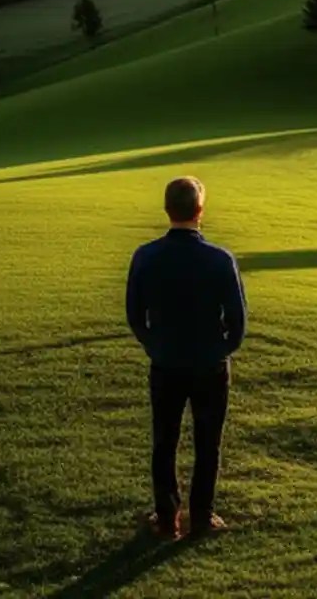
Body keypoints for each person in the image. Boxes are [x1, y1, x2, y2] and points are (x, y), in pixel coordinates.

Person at [126, 176, 247, 539]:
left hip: (165, 364)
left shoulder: (145, 256)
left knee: (165, 440)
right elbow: (237, 321)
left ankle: (166, 518)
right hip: (210, 365)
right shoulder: (220, 259)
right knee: (208, 441)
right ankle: (202, 514)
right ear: (200, 210)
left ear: (167, 209)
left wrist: (153, 345)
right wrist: (220, 350)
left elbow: (135, 313)